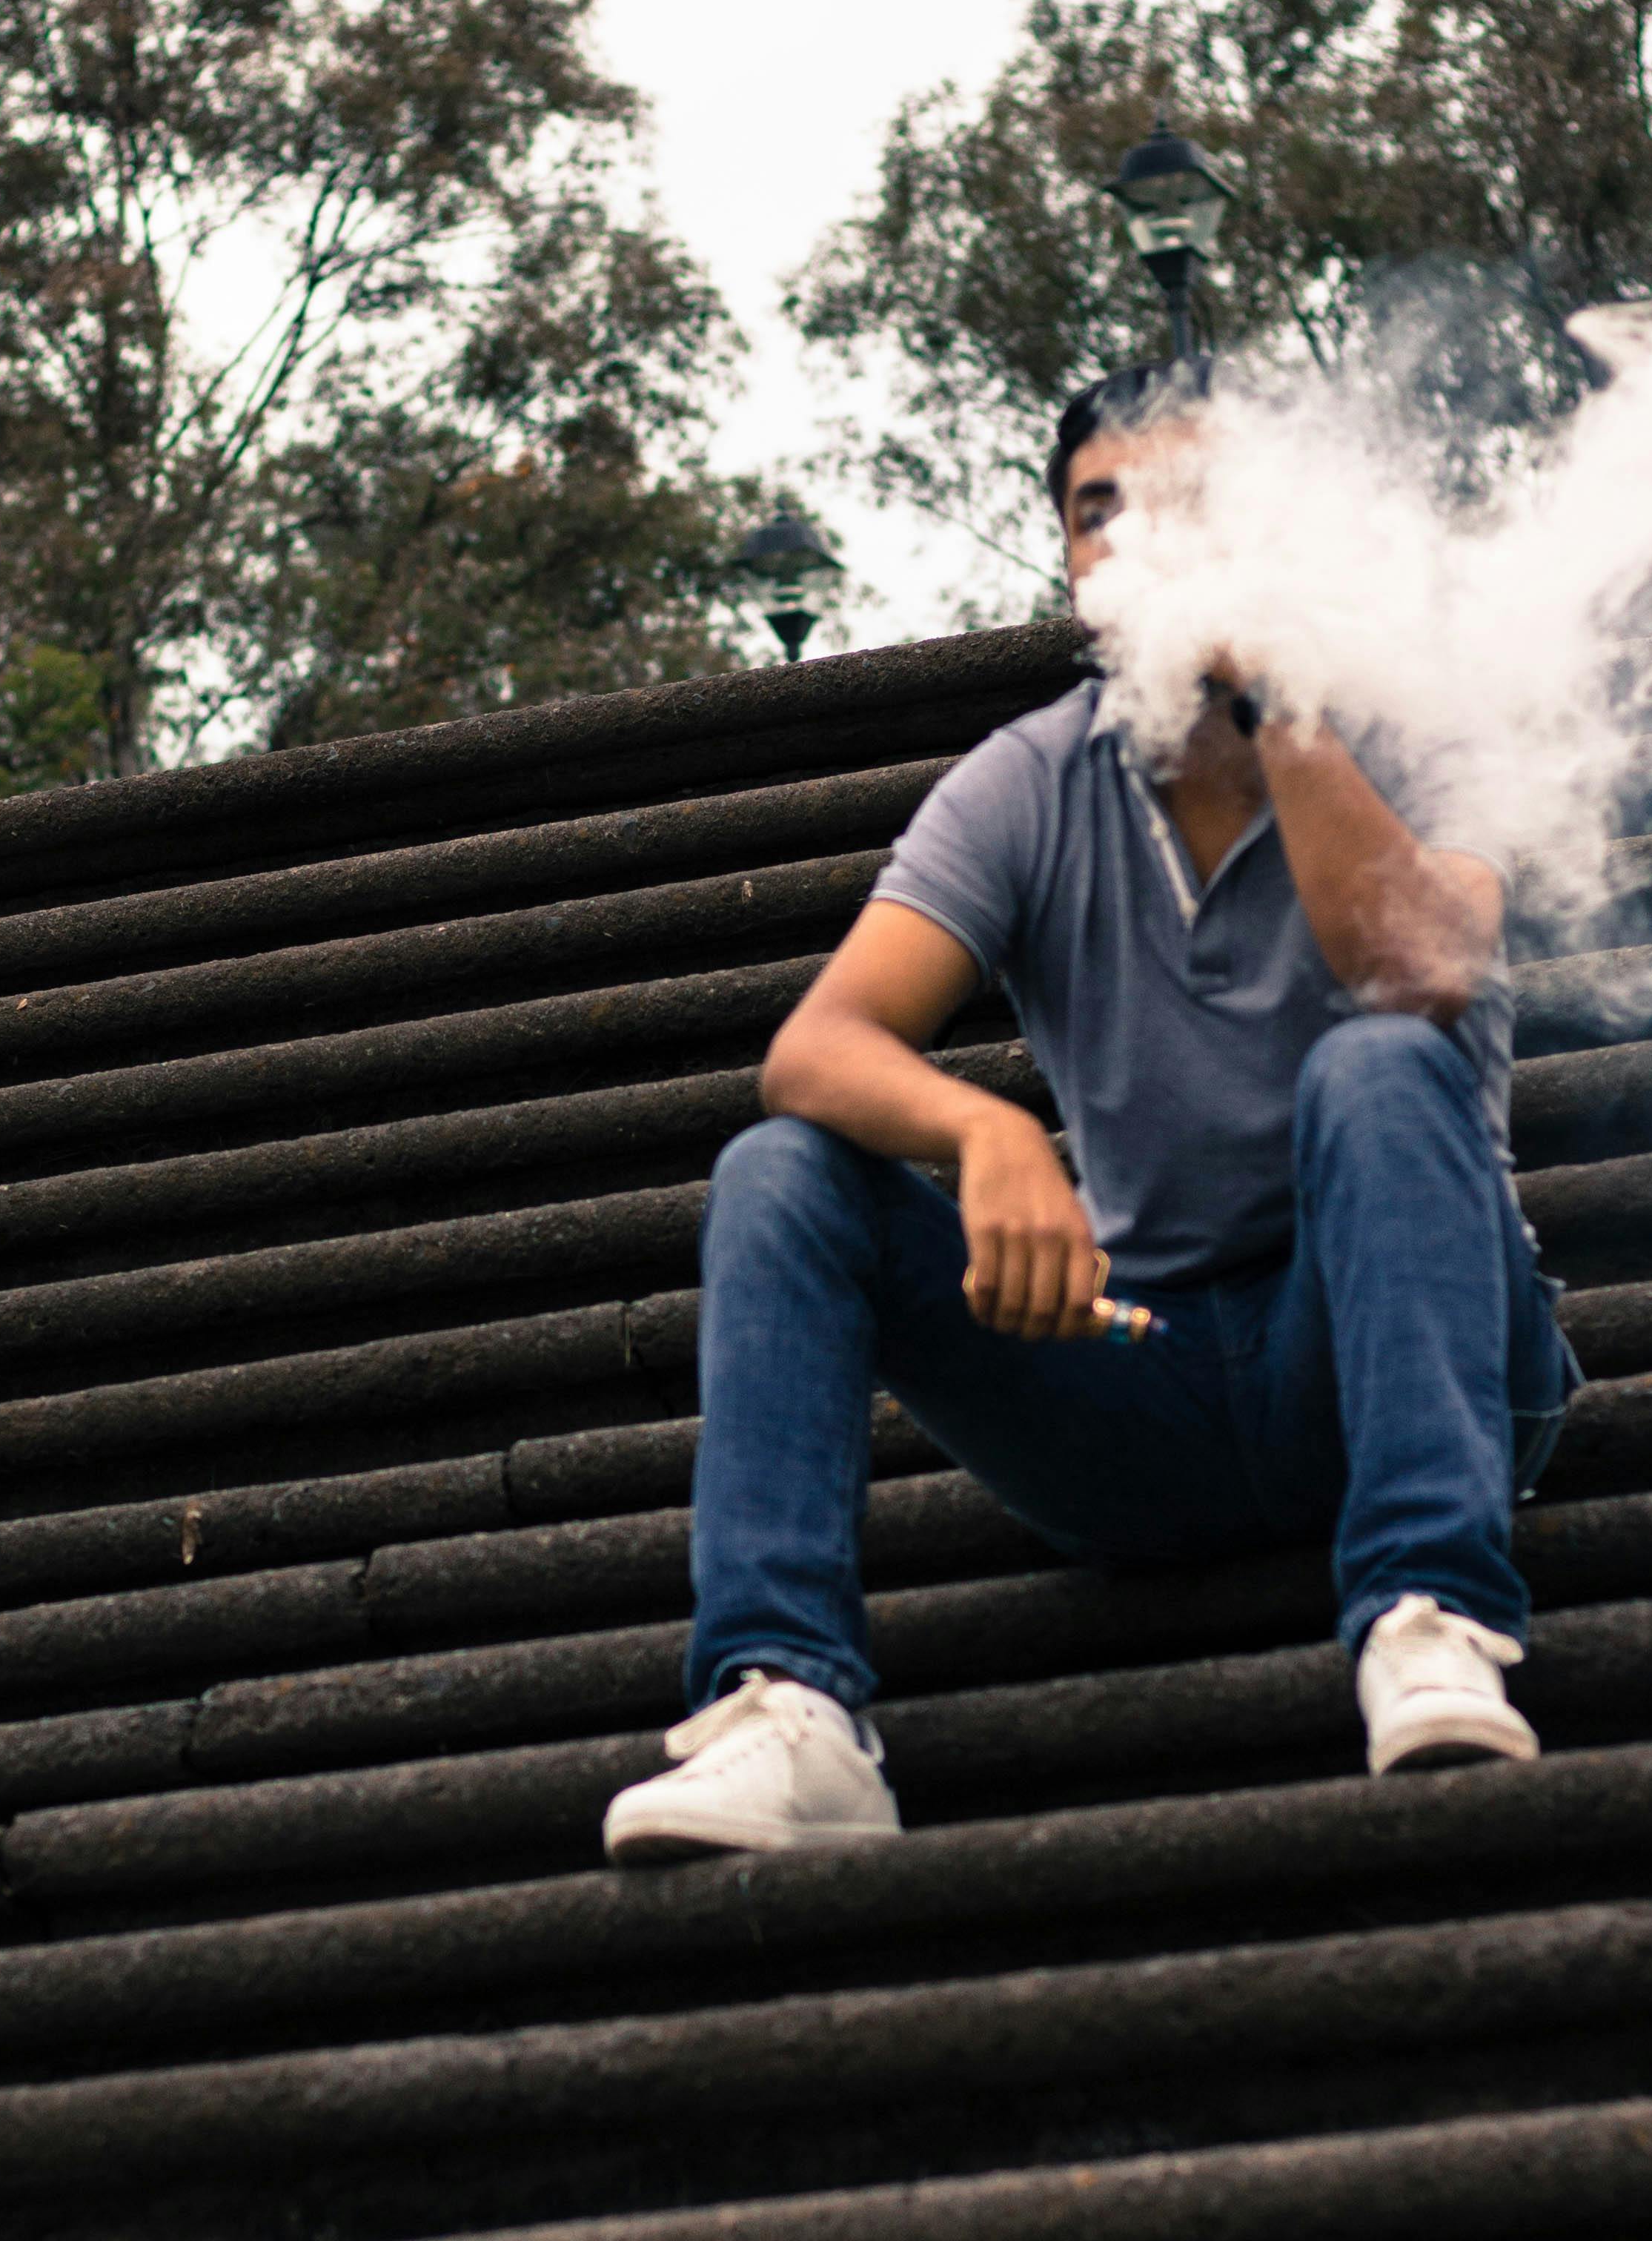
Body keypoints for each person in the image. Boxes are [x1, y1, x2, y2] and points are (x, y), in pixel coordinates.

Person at [603, 360, 1581, 1864]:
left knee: (1375, 1062)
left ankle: (1432, 1612)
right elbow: (816, 1049)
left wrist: (1283, 698)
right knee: (783, 1169)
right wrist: (988, 1135)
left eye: (1179, 508)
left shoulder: (1404, 724)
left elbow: (1421, 970)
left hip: (1411, 1361)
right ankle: (785, 1706)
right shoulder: (1028, 784)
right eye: (1095, 513)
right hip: (1152, 1386)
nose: (1131, 540)